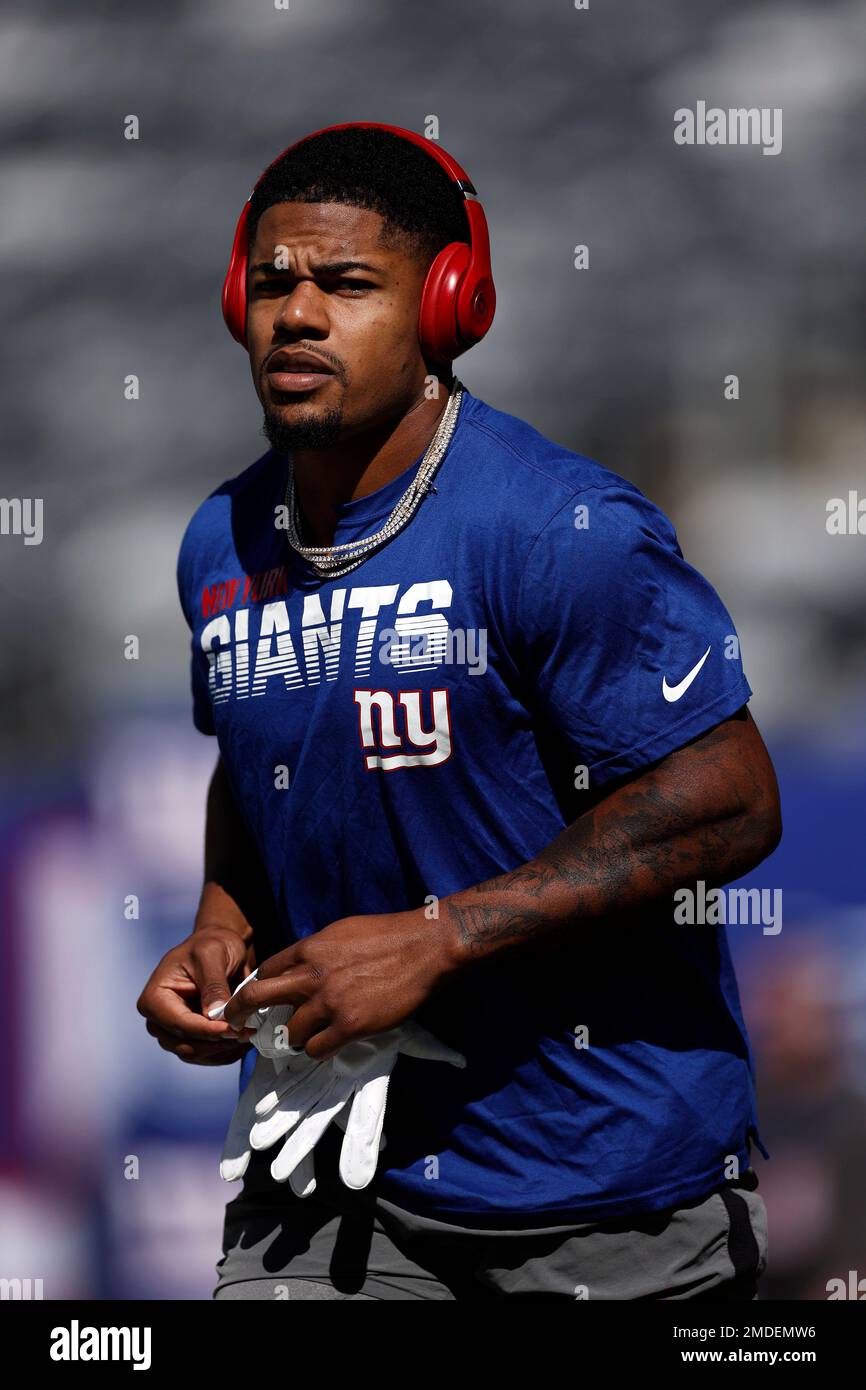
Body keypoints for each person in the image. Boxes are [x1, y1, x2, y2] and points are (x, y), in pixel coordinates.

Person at [137, 123, 780, 1301]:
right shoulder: (220, 542)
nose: (297, 314)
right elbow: (256, 762)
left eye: (346, 284)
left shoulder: (557, 530)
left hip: (599, 1192)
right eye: (273, 282)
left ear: (445, 304)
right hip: (334, 1177)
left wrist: (438, 937)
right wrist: (219, 923)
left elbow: (729, 800)